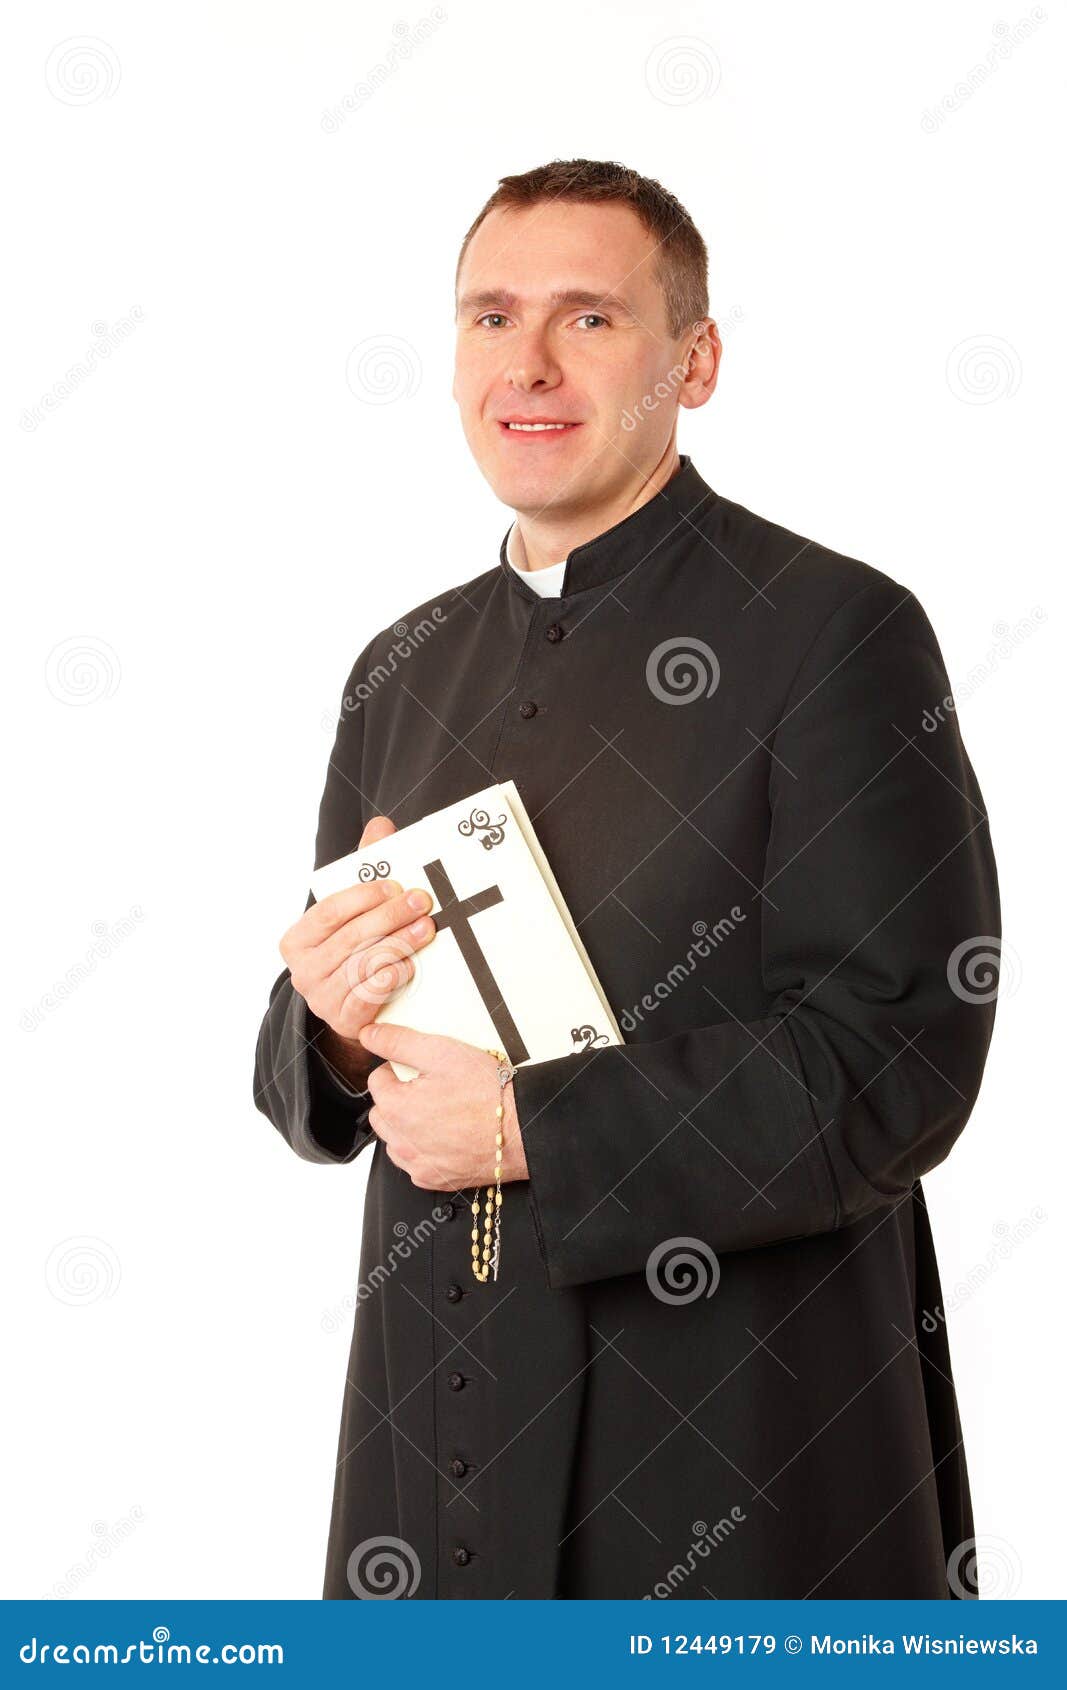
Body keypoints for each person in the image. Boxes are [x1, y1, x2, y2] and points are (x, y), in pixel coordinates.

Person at [253, 158, 1000, 1600]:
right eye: (489, 318)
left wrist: (539, 1128)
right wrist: (329, 1029)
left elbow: (899, 1061)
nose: (523, 364)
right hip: (432, 1433)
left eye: (588, 318)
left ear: (694, 361)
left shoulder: (833, 632)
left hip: (729, 1447)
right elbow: (321, 1066)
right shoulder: (398, 668)